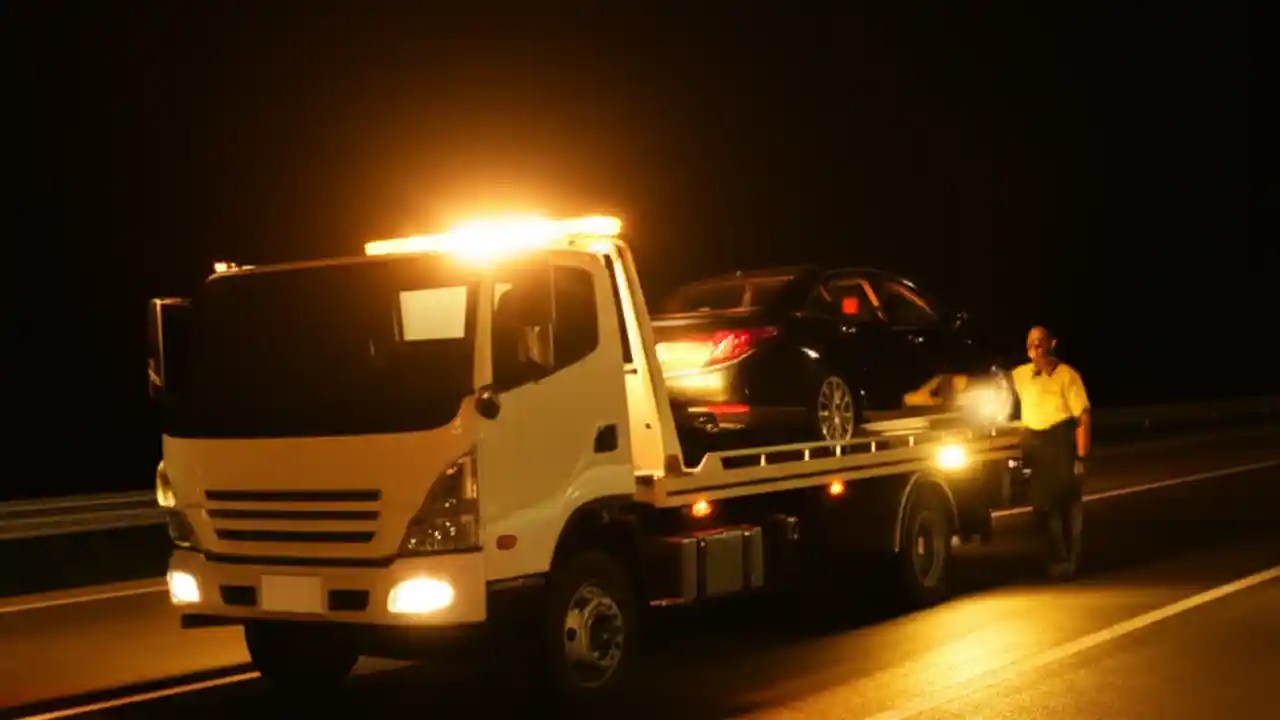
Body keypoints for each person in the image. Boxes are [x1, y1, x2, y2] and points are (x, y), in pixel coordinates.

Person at [1011, 325, 1091, 579]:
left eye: (1041, 341)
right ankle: (1057, 558)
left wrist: (1080, 457)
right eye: (1032, 343)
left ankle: (1070, 560)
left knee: (1067, 506)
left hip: (1060, 443)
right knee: (1043, 508)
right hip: (1035, 446)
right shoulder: (1020, 376)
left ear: (1051, 343)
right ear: (1027, 349)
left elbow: (1083, 418)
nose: (1037, 346)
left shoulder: (1067, 375)